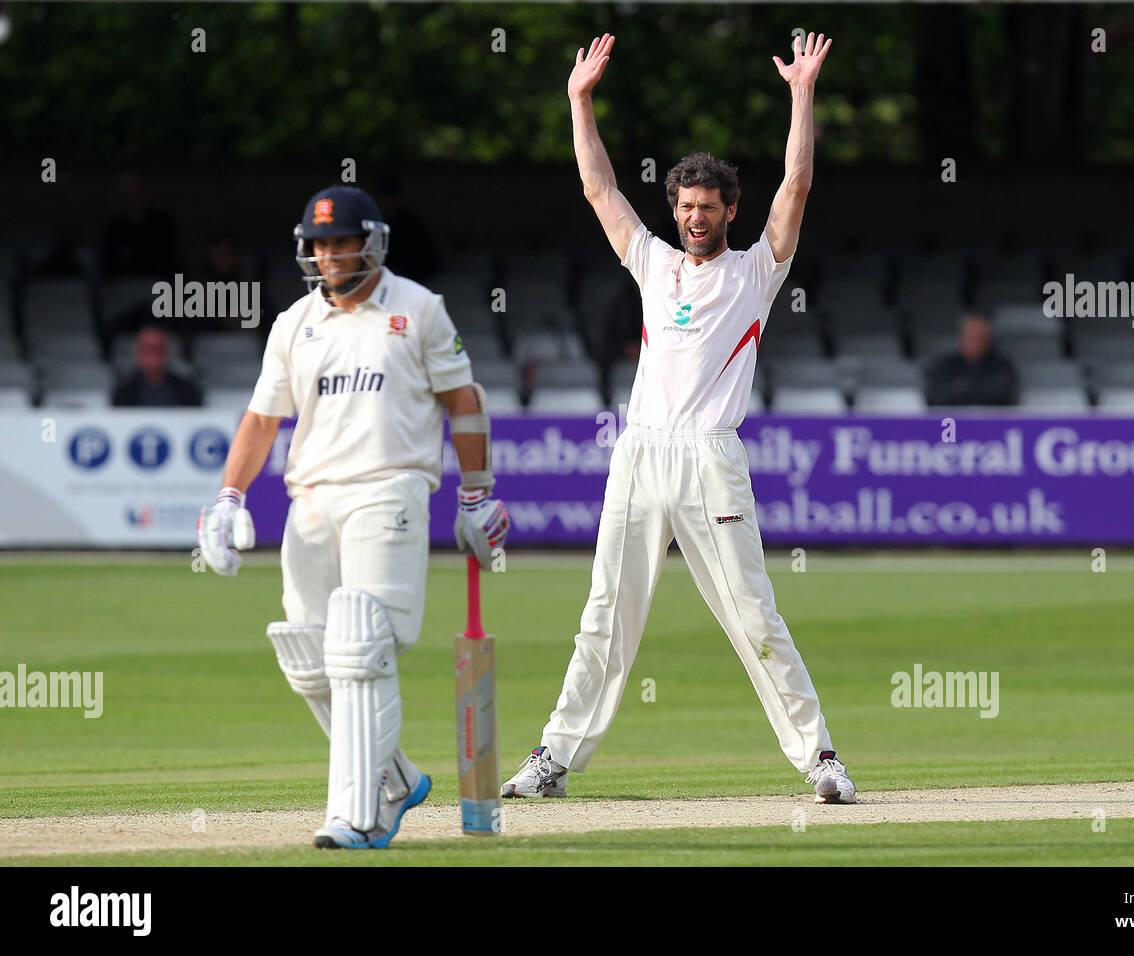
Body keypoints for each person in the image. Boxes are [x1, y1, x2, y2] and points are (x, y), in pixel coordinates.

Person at [500, 33, 856, 805]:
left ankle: (820, 758)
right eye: (686, 207)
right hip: (641, 452)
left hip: (709, 458)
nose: (696, 218)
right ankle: (553, 758)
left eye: (709, 207)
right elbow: (599, 190)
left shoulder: (755, 271)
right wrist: (579, 99)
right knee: (605, 614)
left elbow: (795, 186)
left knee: (753, 615)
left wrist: (802, 93)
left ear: (731, 209)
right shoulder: (653, 262)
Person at [196, 186, 509, 849]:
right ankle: (396, 777)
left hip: (389, 488)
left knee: (360, 643)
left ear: (373, 243)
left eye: (342, 242)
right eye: (320, 243)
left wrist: (476, 494)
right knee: (308, 654)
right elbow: (261, 418)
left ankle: (359, 813)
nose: (330, 255)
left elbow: (465, 400)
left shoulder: (419, 310)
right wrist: (228, 498)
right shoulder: (292, 323)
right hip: (311, 497)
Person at [923, 313, 1019, 406]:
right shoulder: (944, 365)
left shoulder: (1001, 365)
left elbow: (1005, 396)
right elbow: (935, 396)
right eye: (971, 335)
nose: (976, 340)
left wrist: (962, 387)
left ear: (989, 338)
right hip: (951, 420)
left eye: (981, 336)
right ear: (962, 336)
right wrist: (981, 387)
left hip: (991, 420)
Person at [110, 326, 202, 407]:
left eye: (157, 348)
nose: (153, 355)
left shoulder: (188, 390)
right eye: (147, 349)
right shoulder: (123, 393)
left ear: (166, 352)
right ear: (138, 353)